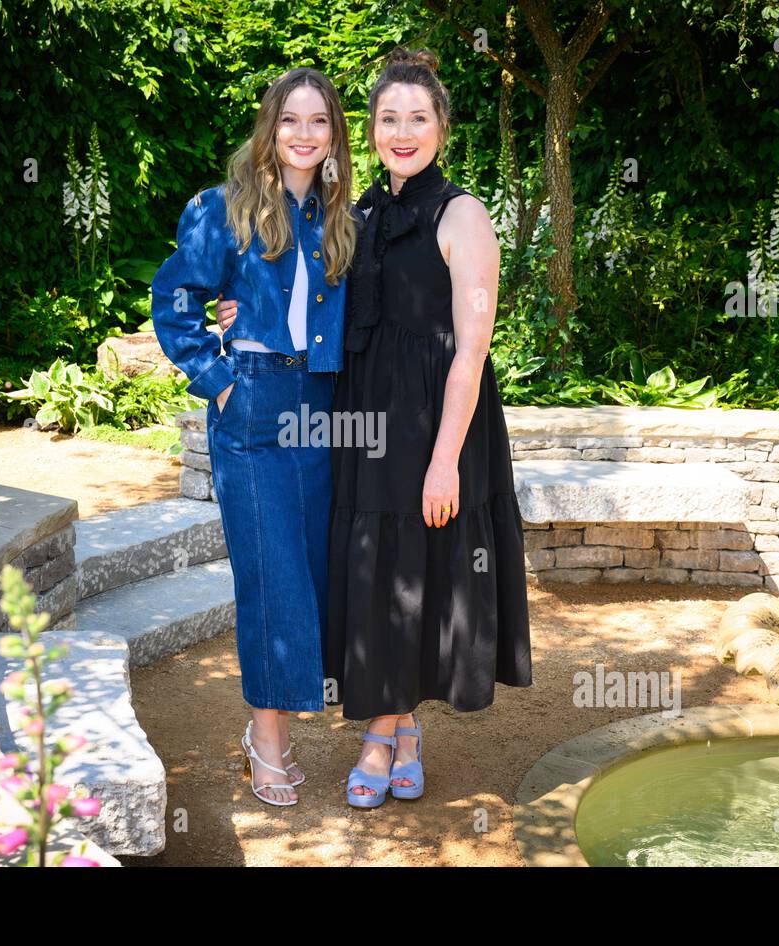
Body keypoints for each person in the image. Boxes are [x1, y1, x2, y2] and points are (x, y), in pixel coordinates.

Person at [217, 48, 533, 810]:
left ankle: (386, 735)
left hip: (435, 426)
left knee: (424, 567)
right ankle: (397, 729)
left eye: (416, 118)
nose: (402, 131)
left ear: (442, 128)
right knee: (384, 573)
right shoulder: (353, 217)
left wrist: (445, 460)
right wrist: (238, 317)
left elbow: (473, 350)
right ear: (371, 128)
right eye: (388, 118)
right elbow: (299, 294)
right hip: (361, 426)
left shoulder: (463, 216)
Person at [150, 67, 357, 806]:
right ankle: (266, 738)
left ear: (335, 137)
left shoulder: (340, 216)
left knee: (315, 565)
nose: (304, 135)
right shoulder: (222, 208)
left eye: (320, 122)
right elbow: (175, 300)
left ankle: (302, 714)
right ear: (269, 127)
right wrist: (221, 377)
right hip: (254, 399)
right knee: (269, 574)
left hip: (325, 405)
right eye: (291, 120)